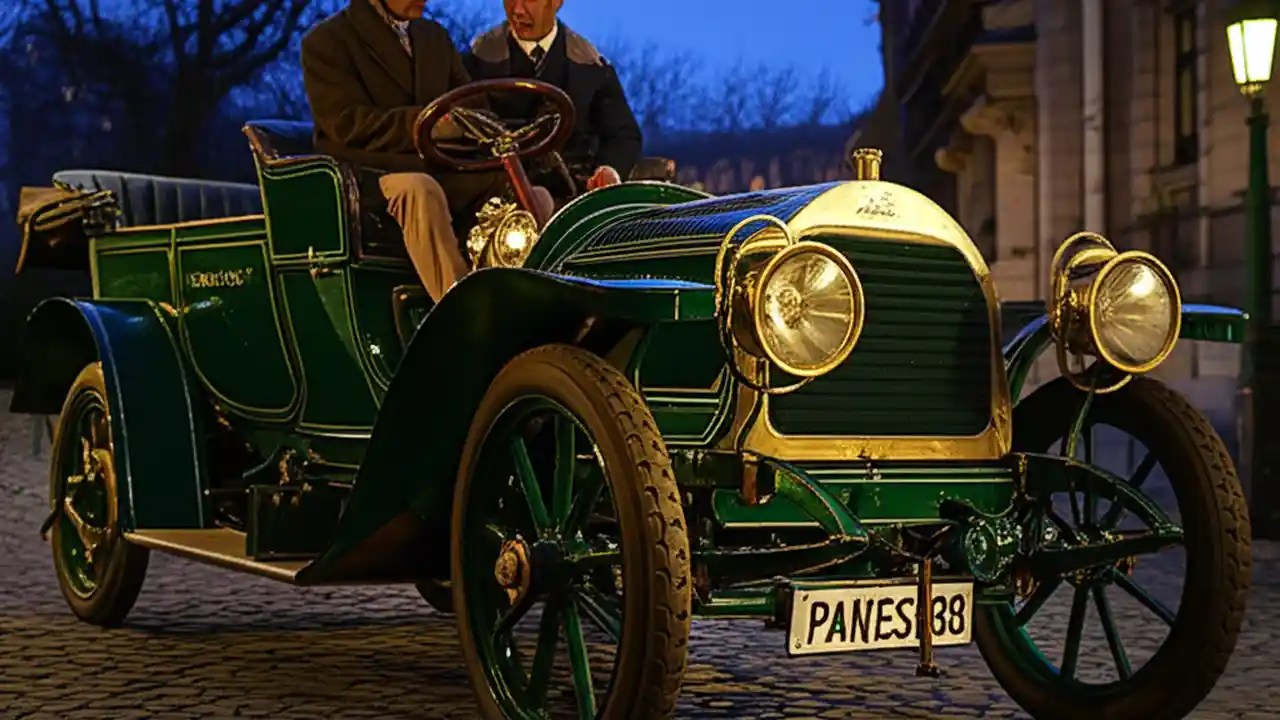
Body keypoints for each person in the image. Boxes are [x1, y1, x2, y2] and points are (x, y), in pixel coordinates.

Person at [300, 0, 552, 302]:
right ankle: (462, 313)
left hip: (441, 166)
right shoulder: (328, 42)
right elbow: (347, 124)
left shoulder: (433, 37)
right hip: (372, 175)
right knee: (421, 191)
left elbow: (472, 105)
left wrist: (483, 127)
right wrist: (427, 124)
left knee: (534, 196)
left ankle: (517, 300)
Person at [465, 0, 643, 200]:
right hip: (496, 194)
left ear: (557, 2)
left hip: (571, 195)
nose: (517, 10)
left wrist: (609, 169)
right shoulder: (477, 58)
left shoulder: (589, 64)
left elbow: (623, 134)